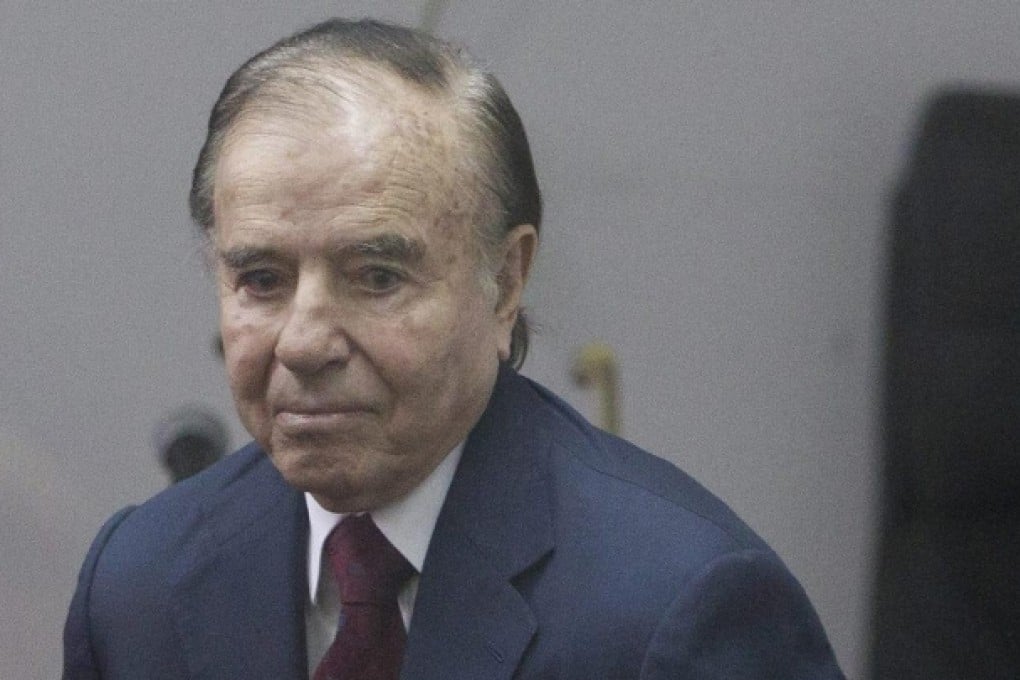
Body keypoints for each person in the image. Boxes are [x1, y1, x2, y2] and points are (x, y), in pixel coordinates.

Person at [63, 18, 845, 680]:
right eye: (262, 280)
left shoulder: (680, 608)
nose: (303, 343)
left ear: (505, 282)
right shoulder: (136, 587)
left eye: (377, 277)